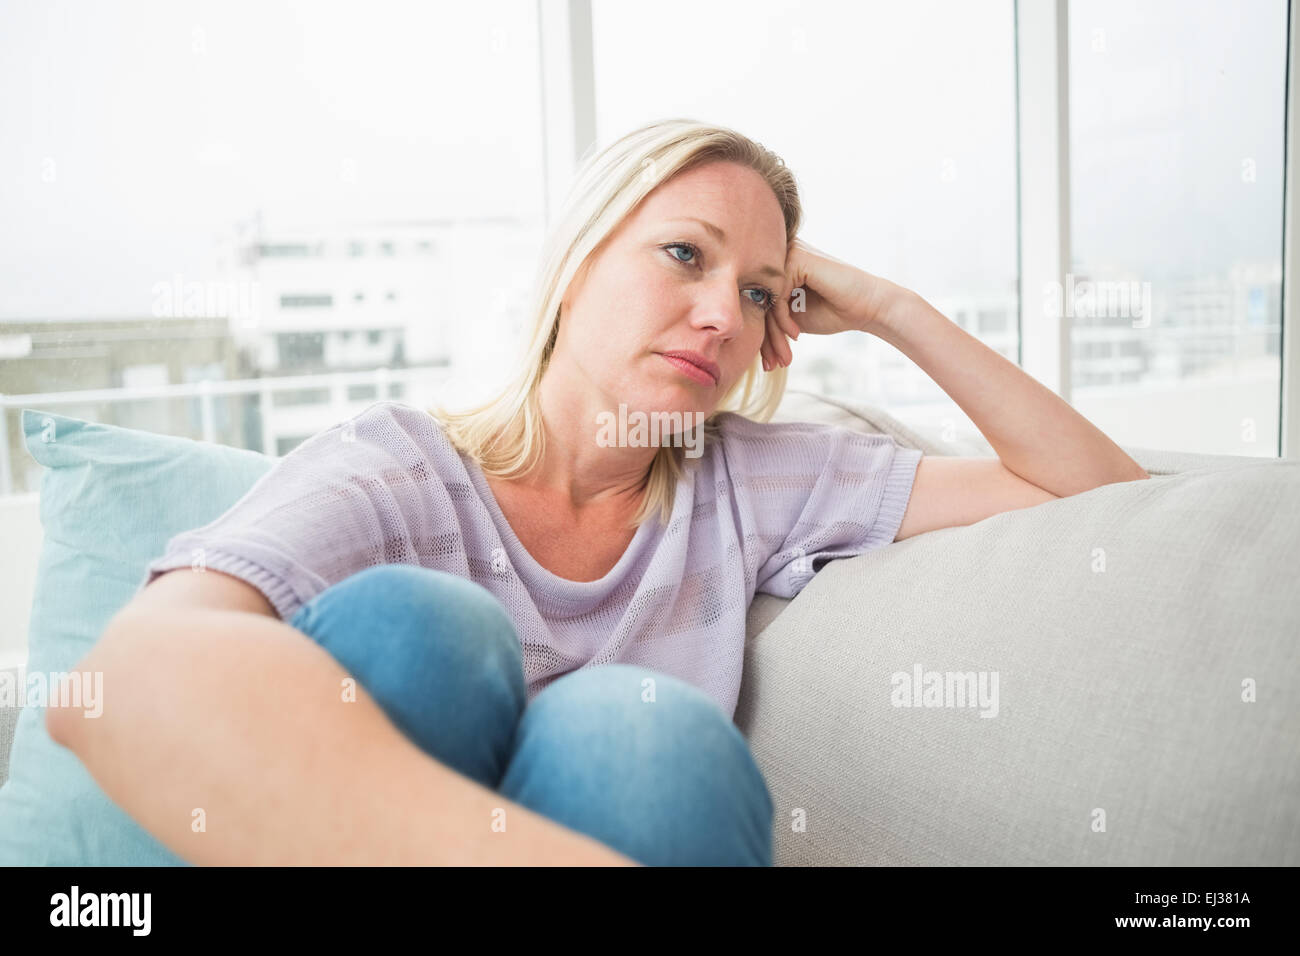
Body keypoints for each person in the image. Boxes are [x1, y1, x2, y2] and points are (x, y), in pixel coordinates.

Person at [49, 118, 1147, 868]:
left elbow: (1093, 490)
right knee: (426, 627)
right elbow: (124, 680)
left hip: (638, 788)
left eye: (760, 290)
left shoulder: (753, 483)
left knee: (643, 733)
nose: (724, 313)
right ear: (574, 266)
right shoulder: (389, 466)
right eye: (684, 253)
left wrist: (892, 308)